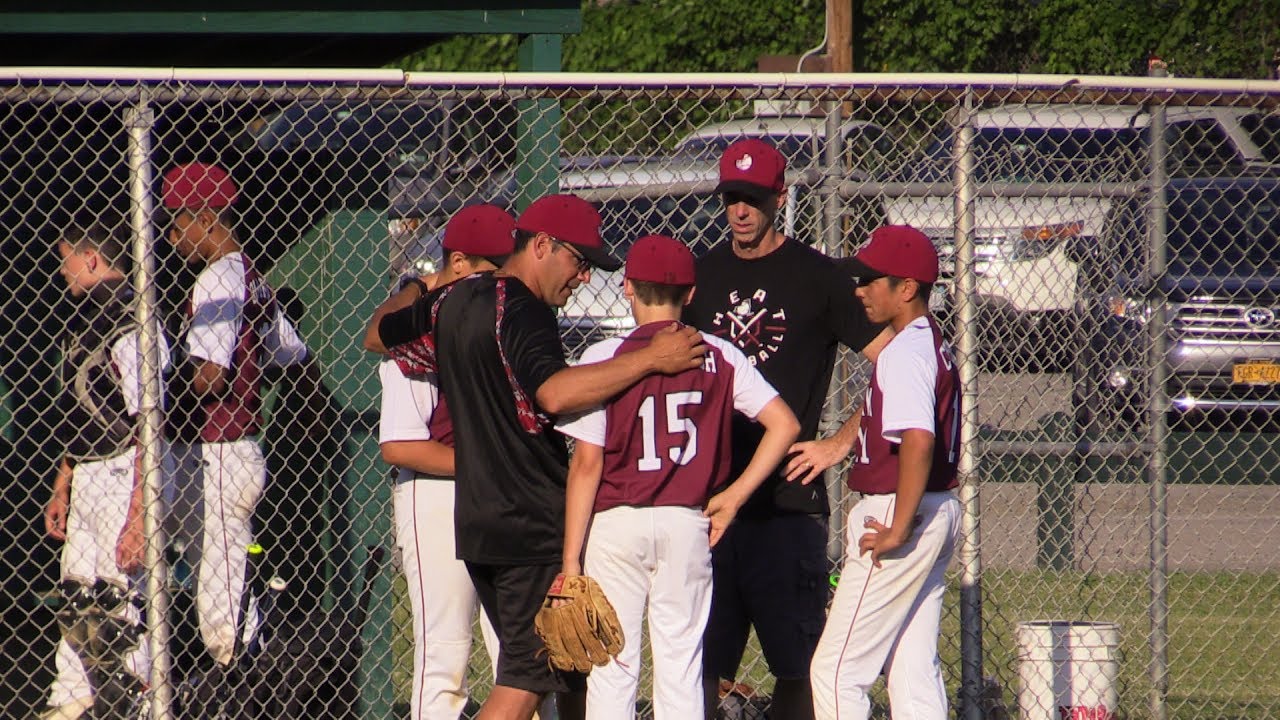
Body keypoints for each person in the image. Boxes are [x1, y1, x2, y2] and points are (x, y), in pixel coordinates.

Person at [369, 193, 707, 720]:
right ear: (543, 245)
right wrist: (650, 359)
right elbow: (554, 393)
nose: (585, 278)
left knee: (565, 670)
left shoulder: (454, 301)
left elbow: (378, 333)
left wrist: (421, 286)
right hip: (528, 520)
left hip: (481, 519)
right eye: (579, 261)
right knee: (524, 686)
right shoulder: (525, 310)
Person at [681, 138, 887, 720]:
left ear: (781, 197)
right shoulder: (700, 277)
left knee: (799, 666)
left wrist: (839, 442)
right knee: (701, 662)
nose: (739, 211)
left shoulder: (817, 278)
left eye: (752, 198)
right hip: (712, 496)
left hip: (788, 504)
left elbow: (897, 359)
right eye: (730, 198)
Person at [555, 234, 800, 719]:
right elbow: (785, 424)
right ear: (690, 294)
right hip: (687, 522)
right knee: (681, 665)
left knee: (612, 666)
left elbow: (586, 464)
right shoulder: (717, 353)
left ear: (627, 288)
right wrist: (734, 495)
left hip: (616, 523)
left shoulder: (605, 357)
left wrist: (570, 561)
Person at [808, 225, 962, 720]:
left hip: (899, 511)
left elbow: (918, 438)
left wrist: (898, 526)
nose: (860, 289)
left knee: (835, 672)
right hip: (935, 508)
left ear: (908, 288)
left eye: (873, 279)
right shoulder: (927, 341)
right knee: (912, 669)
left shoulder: (903, 351)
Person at [160, 162, 308, 667]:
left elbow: (210, 376)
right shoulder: (252, 276)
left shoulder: (217, 278)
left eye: (179, 223)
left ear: (206, 219)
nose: (174, 236)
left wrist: (154, 390)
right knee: (220, 583)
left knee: (223, 610)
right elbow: (293, 353)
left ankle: (243, 690)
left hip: (214, 455)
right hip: (235, 451)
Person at [374, 204, 514, 719]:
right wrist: (494, 464)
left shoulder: (508, 322)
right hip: (437, 494)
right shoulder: (416, 333)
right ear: (456, 264)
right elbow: (401, 445)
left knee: (517, 652)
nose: (504, 279)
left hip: (498, 492)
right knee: (445, 655)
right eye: (492, 267)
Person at [43, 219, 171, 718]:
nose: (62, 269)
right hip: (89, 471)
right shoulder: (88, 318)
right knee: (77, 594)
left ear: (92, 258)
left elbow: (149, 424)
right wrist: (62, 483)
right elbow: (82, 411)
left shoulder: (131, 318)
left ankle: (138, 702)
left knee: (121, 600)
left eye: (67, 258)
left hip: (125, 469)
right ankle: (72, 700)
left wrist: (141, 513)